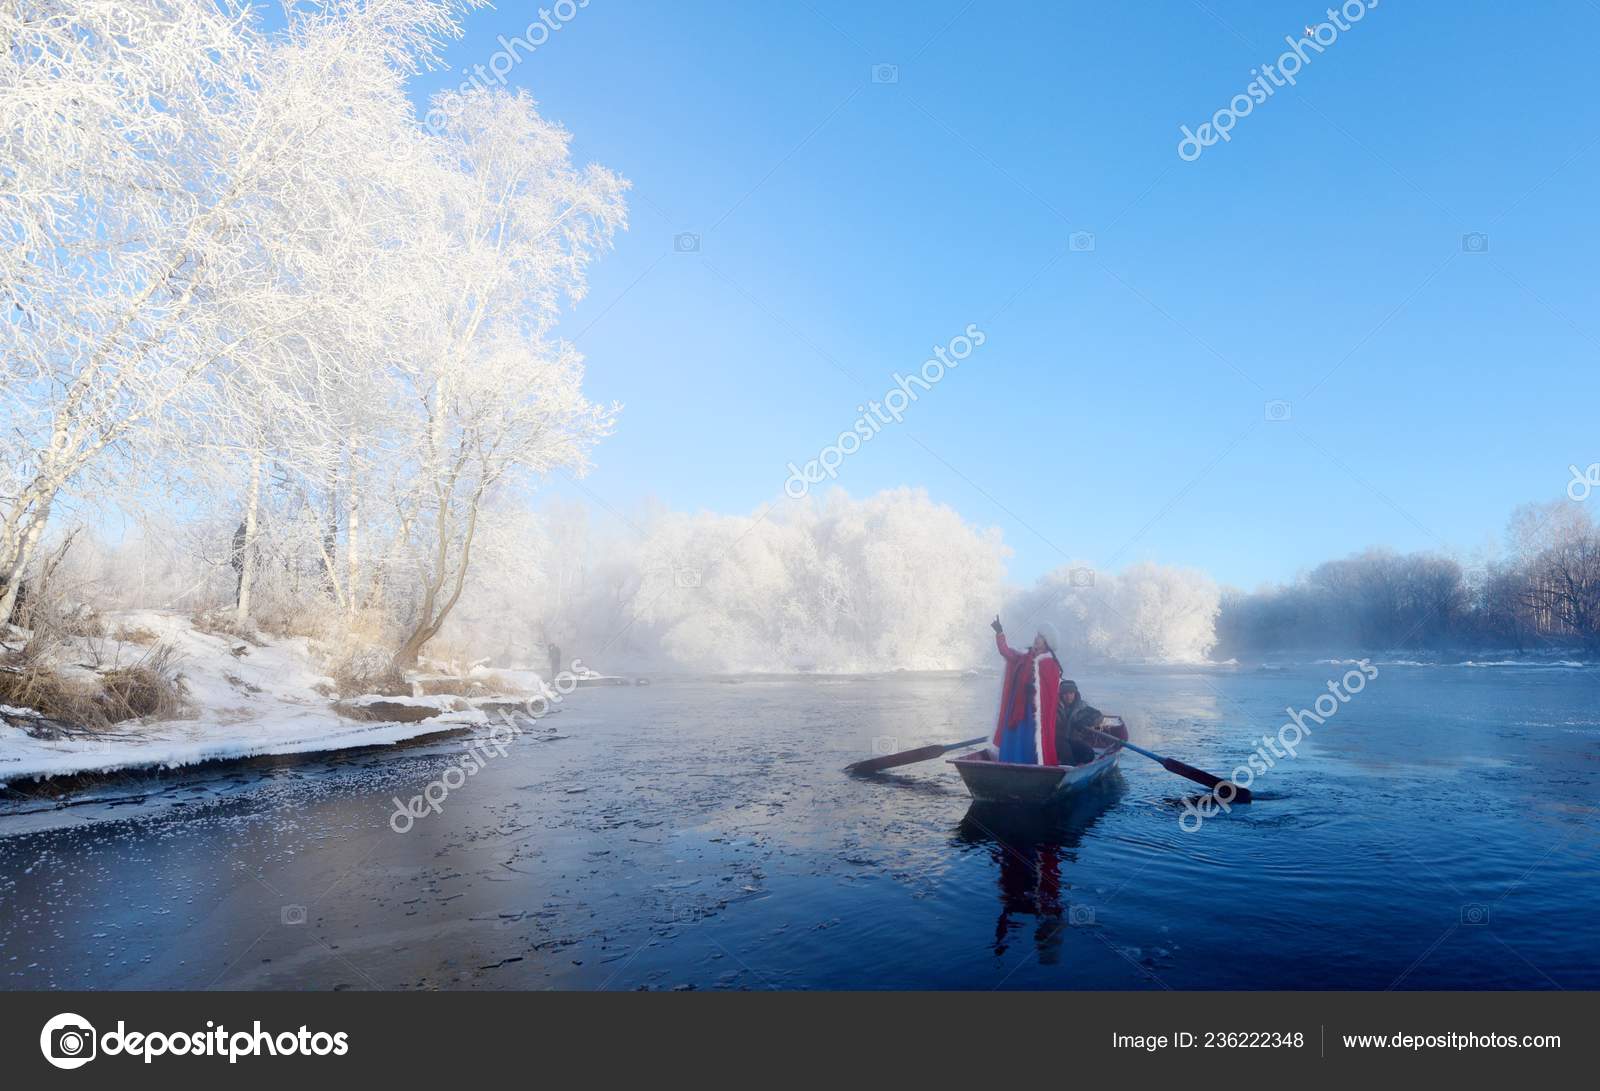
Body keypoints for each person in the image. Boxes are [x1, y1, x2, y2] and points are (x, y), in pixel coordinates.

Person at [989, 616, 1064, 765]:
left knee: (1029, 739)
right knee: (1012, 736)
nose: (1037, 639)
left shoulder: (1050, 664)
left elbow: (1050, 693)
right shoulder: (1023, 656)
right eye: (1037, 636)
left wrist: (1036, 690)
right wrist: (999, 633)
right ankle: (1008, 763)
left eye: (1041, 638)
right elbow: (1006, 652)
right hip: (1016, 705)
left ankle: (1028, 765)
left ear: (1047, 643)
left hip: (1033, 712)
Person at [1054, 680, 1105, 766]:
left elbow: (1098, 716)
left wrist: (1085, 722)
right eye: (1065, 693)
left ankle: (1076, 765)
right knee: (1064, 747)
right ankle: (1068, 767)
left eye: (1071, 693)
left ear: (1075, 693)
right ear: (1061, 695)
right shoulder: (1054, 707)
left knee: (1089, 754)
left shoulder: (1081, 707)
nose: (1068, 696)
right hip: (1057, 742)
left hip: (1073, 741)